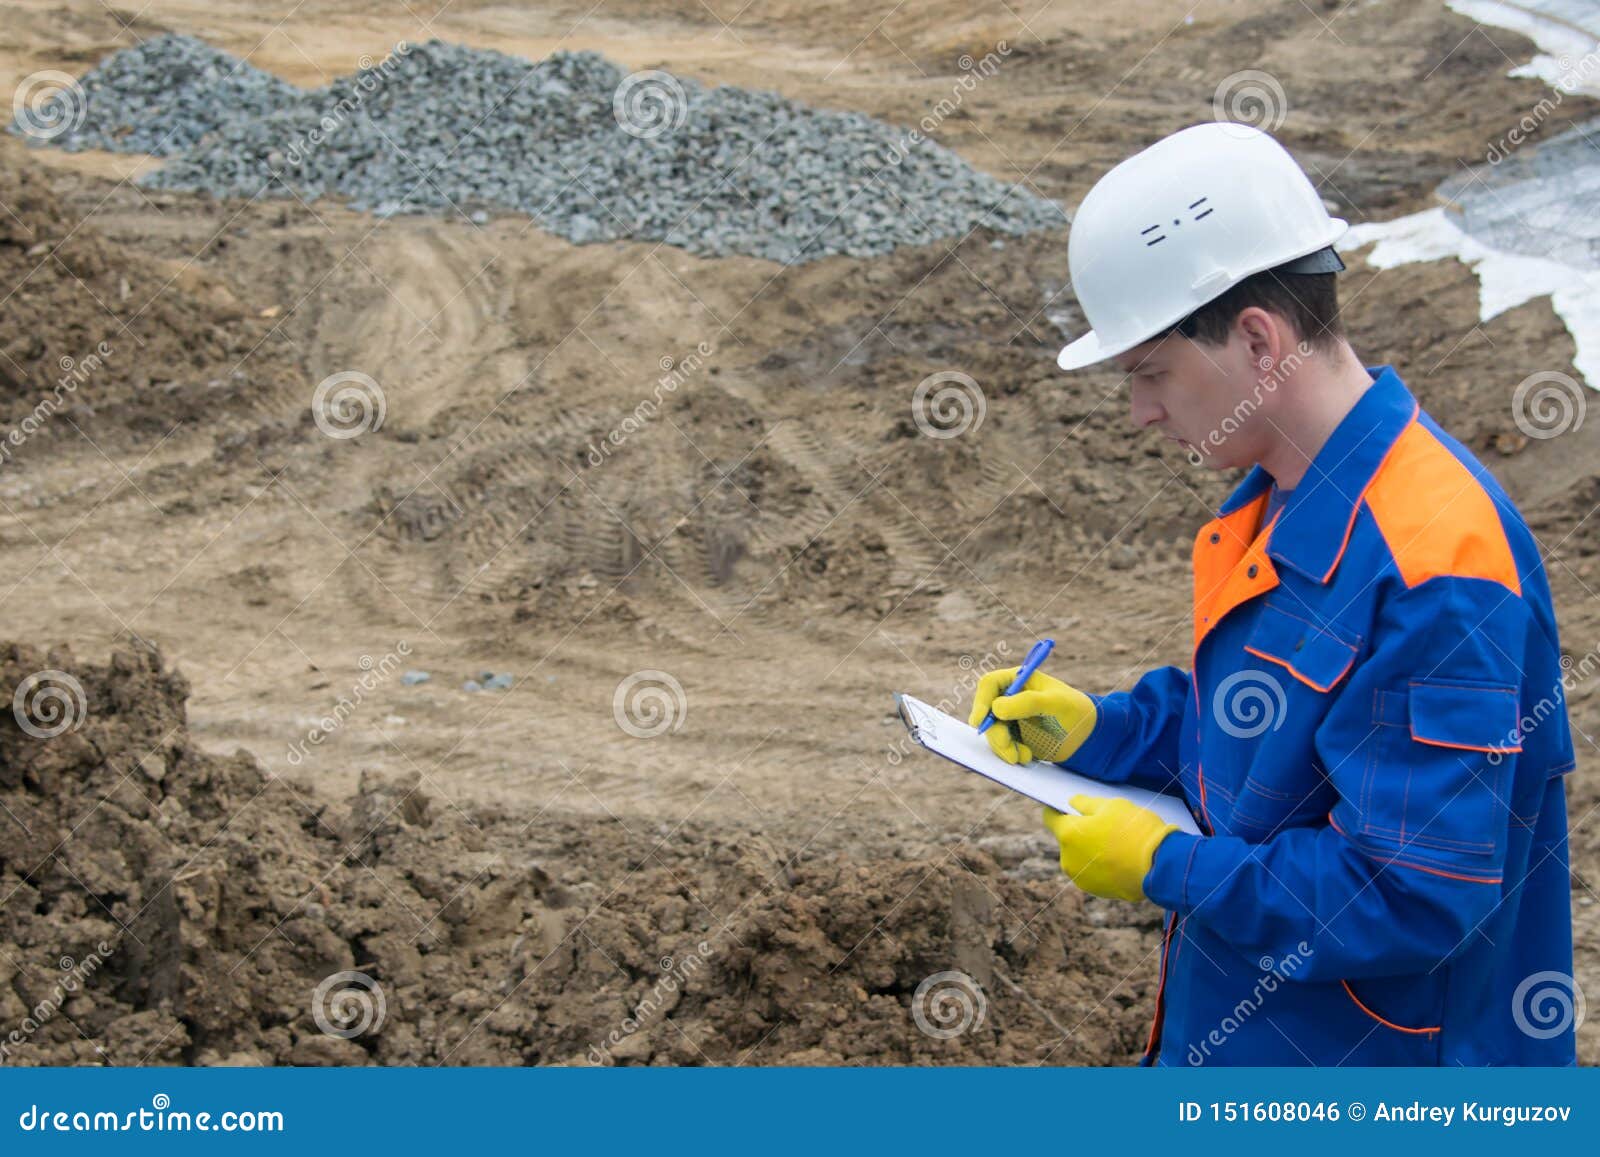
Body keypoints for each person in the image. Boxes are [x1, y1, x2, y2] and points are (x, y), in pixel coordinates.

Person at [968, 123, 1577, 1066]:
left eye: (1150, 372)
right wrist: (1095, 730)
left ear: (1257, 338)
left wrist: (1170, 867)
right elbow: (1260, 750)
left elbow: (1409, 891)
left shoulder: (1438, 565)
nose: (1140, 412)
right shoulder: (1276, 503)